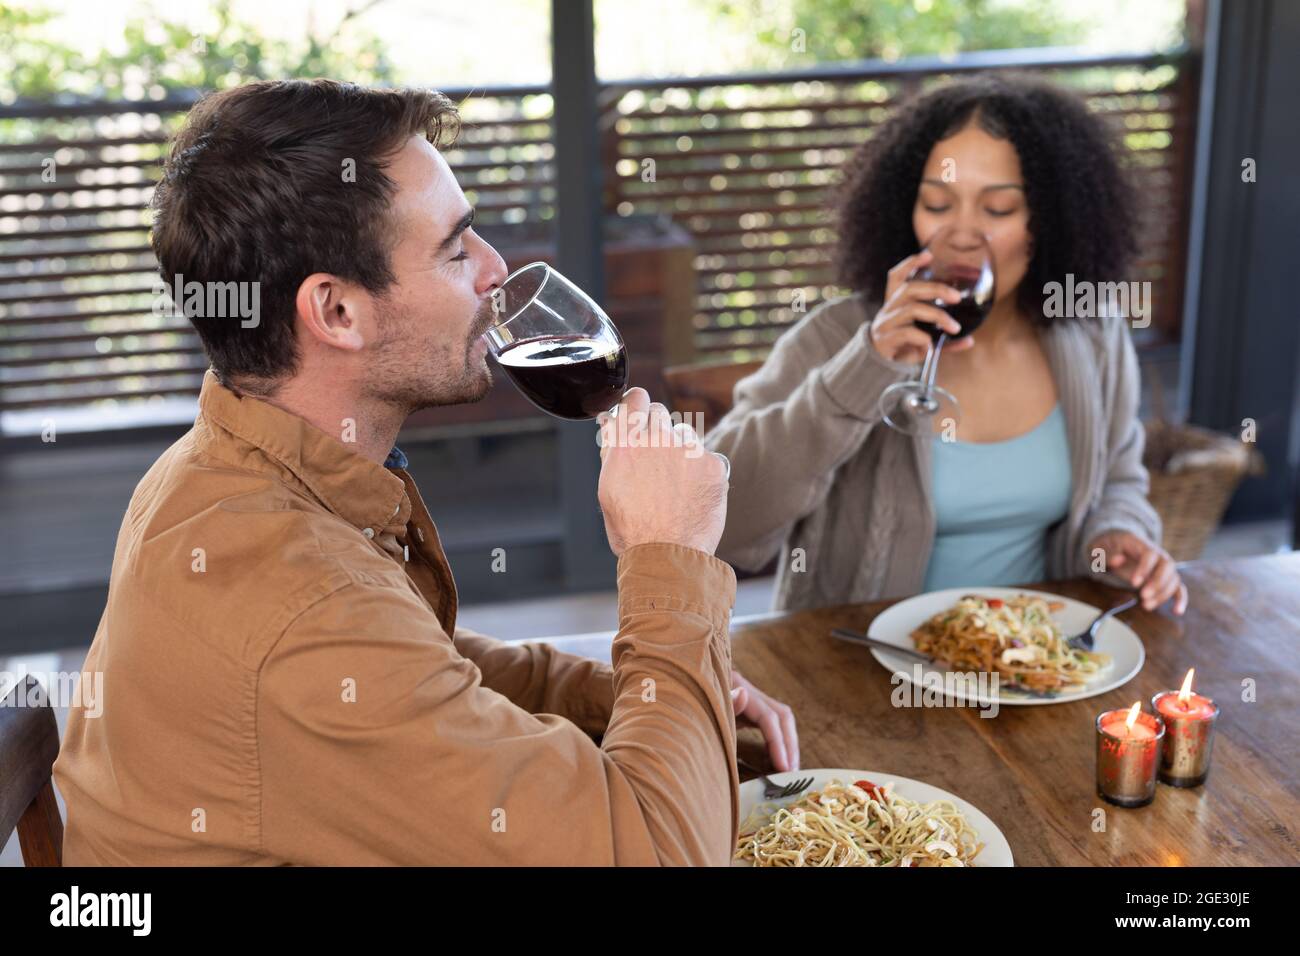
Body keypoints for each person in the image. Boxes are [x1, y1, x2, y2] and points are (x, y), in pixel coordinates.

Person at [53, 79, 796, 867]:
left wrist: (637, 695)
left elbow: (413, 663)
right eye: (455, 249)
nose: (495, 269)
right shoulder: (300, 602)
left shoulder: (227, 467)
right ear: (336, 312)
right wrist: (667, 561)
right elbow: (661, 855)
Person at [705, 75, 1187, 615]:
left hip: (1034, 663)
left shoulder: (1092, 333)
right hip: (853, 669)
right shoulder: (836, 336)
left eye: (998, 210)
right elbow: (718, 522)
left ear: (1050, 220)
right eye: (937, 204)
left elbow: (1120, 481)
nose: (961, 233)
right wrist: (864, 372)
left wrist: (1117, 536)